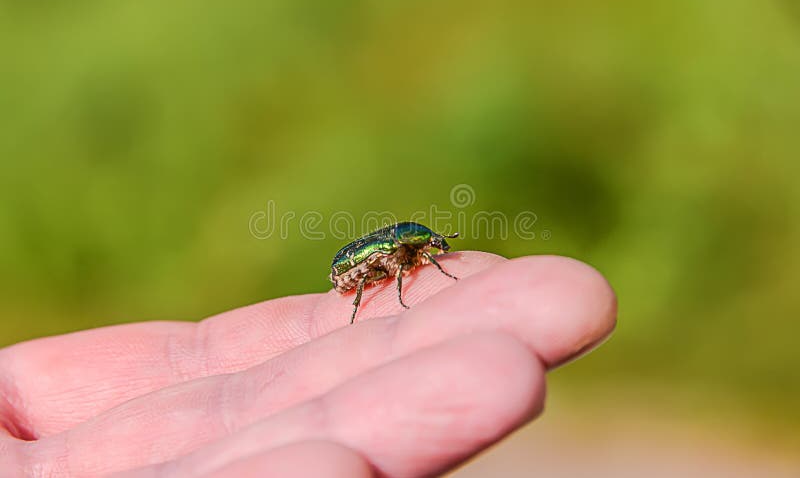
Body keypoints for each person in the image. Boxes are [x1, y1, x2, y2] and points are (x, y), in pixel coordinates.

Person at [0, 252, 616, 476]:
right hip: (353, 270)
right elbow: (378, 271)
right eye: (427, 252)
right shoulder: (392, 257)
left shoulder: (407, 249)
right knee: (378, 289)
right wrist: (392, 292)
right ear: (413, 248)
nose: (431, 257)